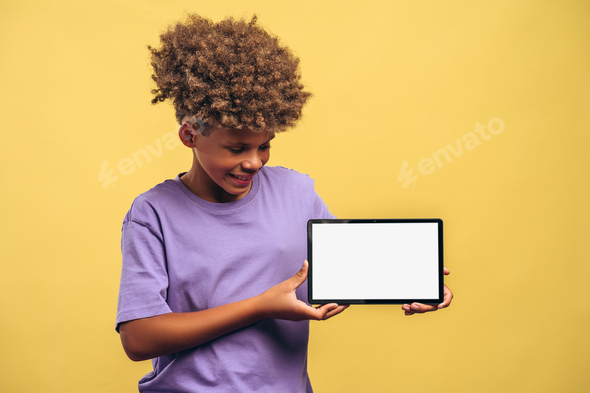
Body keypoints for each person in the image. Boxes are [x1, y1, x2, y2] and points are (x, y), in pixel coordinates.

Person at [116, 13, 453, 393]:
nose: (254, 162)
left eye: (265, 145)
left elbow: (341, 272)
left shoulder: (297, 192)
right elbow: (139, 338)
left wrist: (411, 280)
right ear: (189, 135)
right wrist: (260, 306)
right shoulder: (153, 214)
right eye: (237, 148)